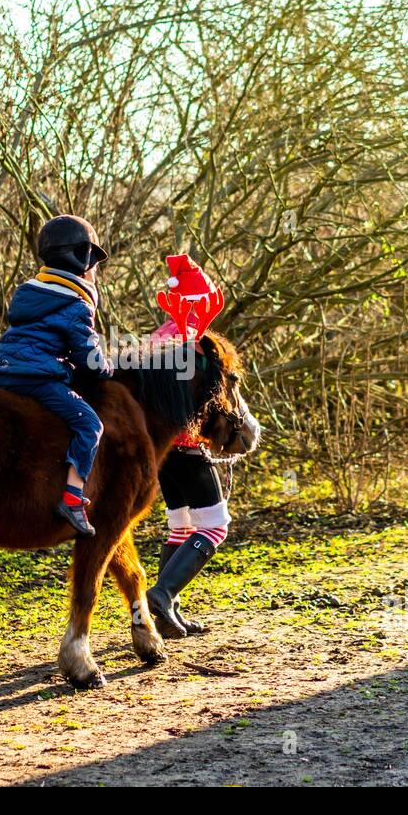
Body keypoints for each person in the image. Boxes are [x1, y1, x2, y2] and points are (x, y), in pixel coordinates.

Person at [0, 215, 112, 536]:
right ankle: (72, 497)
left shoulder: (28, 293)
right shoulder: (76, 305)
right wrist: (107, 366)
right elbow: (88, 359)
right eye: (93, 263)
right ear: (82, 259)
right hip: (39, 380)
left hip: (6, 375)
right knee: (90, 424)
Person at [145, 255, 231, 638]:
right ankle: (163, 594)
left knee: (180, 526)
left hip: (161, 450)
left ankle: (167, 612)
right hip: (188, 446)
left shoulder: (159, 337)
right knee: (215, 526)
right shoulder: (197, 343)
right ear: (200, 301)